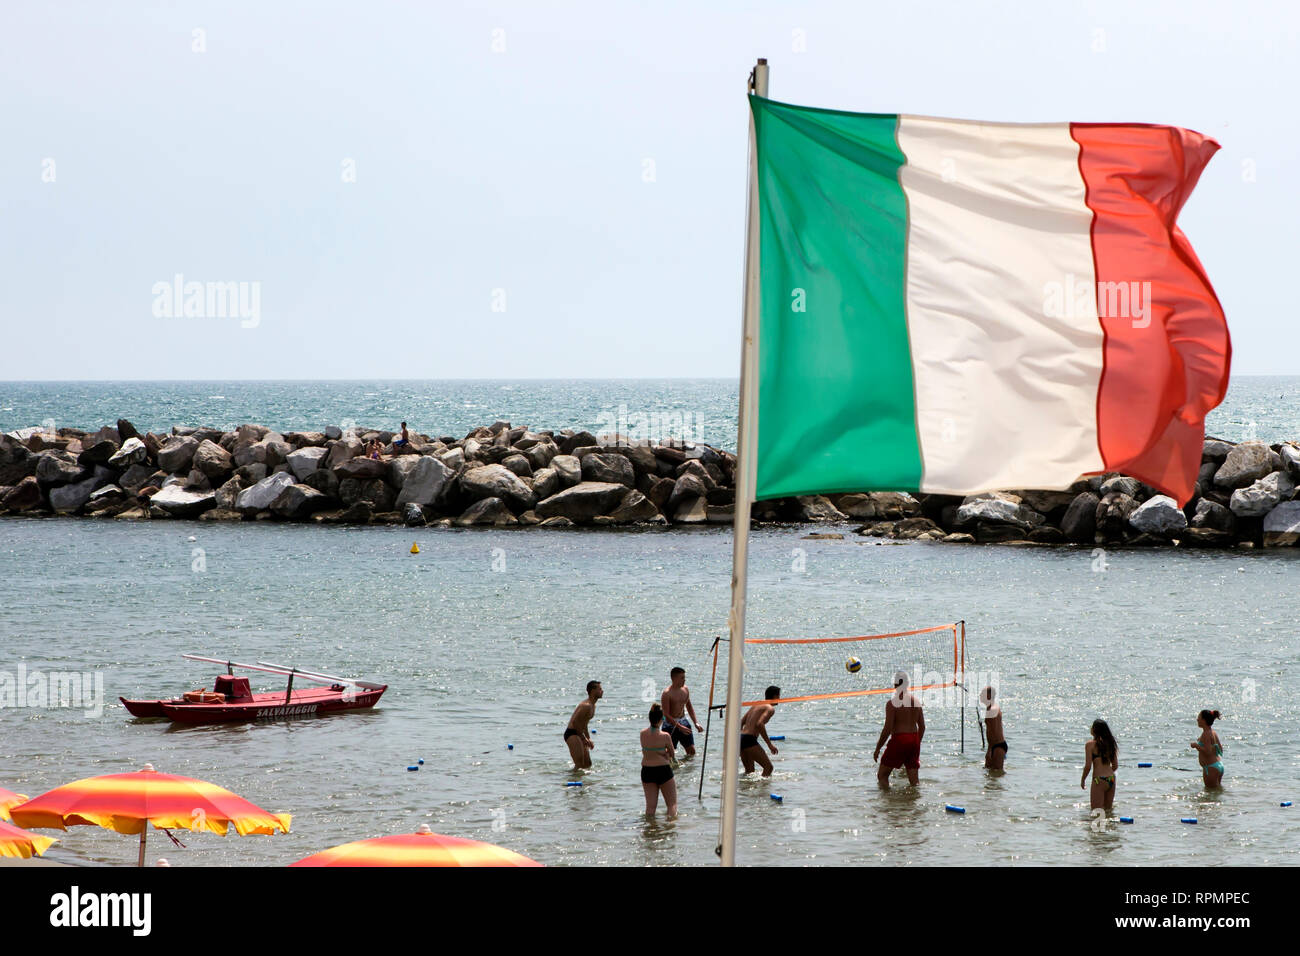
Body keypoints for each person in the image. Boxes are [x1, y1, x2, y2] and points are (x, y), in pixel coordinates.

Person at [874, 671, 924, 788]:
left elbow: (887, 729)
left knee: (882, 776)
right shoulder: (916, 702)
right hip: (914, 740)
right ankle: (913, 804)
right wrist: (916, 744)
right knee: (914, 781)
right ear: (907, 684)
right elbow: (922, 726)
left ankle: (889, 803)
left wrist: (877, 748)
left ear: (895, 685)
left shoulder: (892, 704)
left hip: (899, 740)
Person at [640, 703, 678, 818]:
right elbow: (671, 754)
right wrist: (664, 753)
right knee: (672, 804)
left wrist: (660, 752)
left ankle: (650, 830)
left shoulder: (642, 734)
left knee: (650, 807)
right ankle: (670, 829)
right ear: (661, 719)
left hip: (647, 771)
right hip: (663, 770)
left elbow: (647, 750)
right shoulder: (665, 736)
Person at [661, 666, 703, 758]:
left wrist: (696, 723)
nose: (684, 680)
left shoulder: (685, 689)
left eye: (684, 677)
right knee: (669, 755)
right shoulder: (667, 693)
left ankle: (686, 770)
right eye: (682, 678)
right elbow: (666, 714)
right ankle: (673, 770)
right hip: (670, 725)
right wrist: (680, 727)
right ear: (674, 678)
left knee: (691, 752)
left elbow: (689, 707)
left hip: (683, 721)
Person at [739, 685, 780, 776]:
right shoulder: (770, 708)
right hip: (749, 739)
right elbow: (759, 724)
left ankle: (745, 789)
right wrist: (769, 744)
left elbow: (741, 722)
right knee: (768, 767)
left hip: (741, 738)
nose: (780, 699)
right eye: (779, 696)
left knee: (749, 771)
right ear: (775, 696)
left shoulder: (756, 705)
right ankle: (763, 790)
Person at [1081, 719, 1119, 811]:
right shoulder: (1110, 744)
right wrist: (1106, 775)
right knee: (1108, 810)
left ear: (1094, 730)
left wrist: (1083, 780)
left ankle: (1098, 825)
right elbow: (1115, 765)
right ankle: (1109, 825)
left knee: (1096, 812)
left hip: (1099, 780)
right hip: (1111, 779)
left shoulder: (1090, 745)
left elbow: (1088, 766)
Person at [563, 680, 602, 770]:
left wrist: (588, 738)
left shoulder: (593, 705)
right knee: (580, 764)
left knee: (587, 764)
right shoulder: (586, 705)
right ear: (592, 691)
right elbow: (575, 723)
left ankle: (584, 783)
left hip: (580, 733)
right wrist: (583, 738)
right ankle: (573, 782)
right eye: (599, 689)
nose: (602, 691)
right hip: (572, 733)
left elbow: (584, 724)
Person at [1191, 709, 1224, 788]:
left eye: (1199, 717)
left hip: (1211, 768)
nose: (1197, 719)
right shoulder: (1212, 732)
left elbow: (1208, 751)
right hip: (1218, 765)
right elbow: (1221, 750)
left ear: (1204, 720)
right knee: (1216, 792)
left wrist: (1196, 745)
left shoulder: (1206, 733)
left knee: (1210, 793)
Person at [982, 685, 1007, 770]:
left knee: (995, 775)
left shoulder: (992, 709)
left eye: (982, 694)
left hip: (997, 746)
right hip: (994, 746)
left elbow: (993, 732)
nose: (980, 696)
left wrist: (989, 751)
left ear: (988, 696)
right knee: (990, 777)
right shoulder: (989, 708)